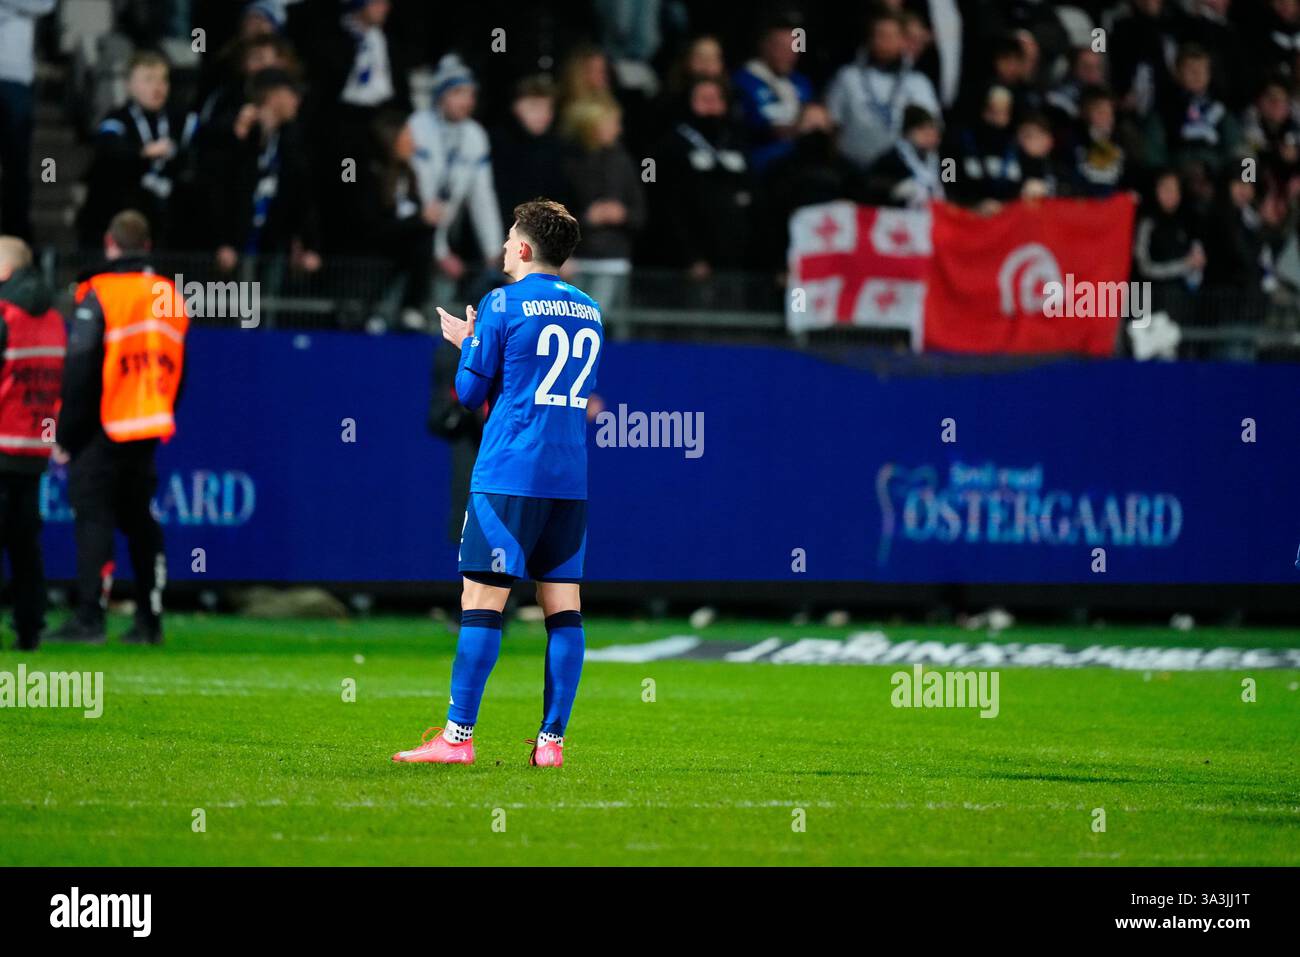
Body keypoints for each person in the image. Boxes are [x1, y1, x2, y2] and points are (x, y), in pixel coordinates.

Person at [392, 199, 600, 768]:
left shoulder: (501, 302)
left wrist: (470, 344)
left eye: (510, 238)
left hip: (510, 470)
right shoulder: (590, 310)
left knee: (481, 602)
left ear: (526, 248)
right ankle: (551, 742)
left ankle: (458, 737)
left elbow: (467, 393)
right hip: (569, 478)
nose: (505, 246)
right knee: (564, 610)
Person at [45, 211, 187, 645]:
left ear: (110, 243)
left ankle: (90, 617)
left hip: (105, 423)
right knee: (140, 520)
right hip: (149, 422)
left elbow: (82, 368)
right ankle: (150, 619)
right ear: (145, 246)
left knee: (92, 515)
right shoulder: (170, 294)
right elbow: (179, 367)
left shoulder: (101, 293)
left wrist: (66, 433)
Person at [0, 235, 63, 650]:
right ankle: (30, 625)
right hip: (33, 445)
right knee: (25, 542)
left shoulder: (5, 311)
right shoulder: (54, 317)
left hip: (1, 441)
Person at [77, 51, 186, 250]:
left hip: (165, 225)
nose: (158, 87)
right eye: (148, 79)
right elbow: (110, 149)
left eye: (163, 80)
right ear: (128, 85)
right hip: (118, 216)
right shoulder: (117, 119)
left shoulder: (178, 120)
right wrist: (144, 153)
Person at [825, 11, 942, 169]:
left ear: (903, 40)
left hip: (903, 173)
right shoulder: (847, 77)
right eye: (880, 35)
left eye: (891, 36)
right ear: (870, 39)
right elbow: (832, 126)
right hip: (852, 171)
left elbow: (931, 132)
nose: (885, 41)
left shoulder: (918, 83)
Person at [0, 0, 56, 241]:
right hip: (16, 76)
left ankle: (17, 237)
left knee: (17, 164)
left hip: (17, 76)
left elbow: (44, 4)